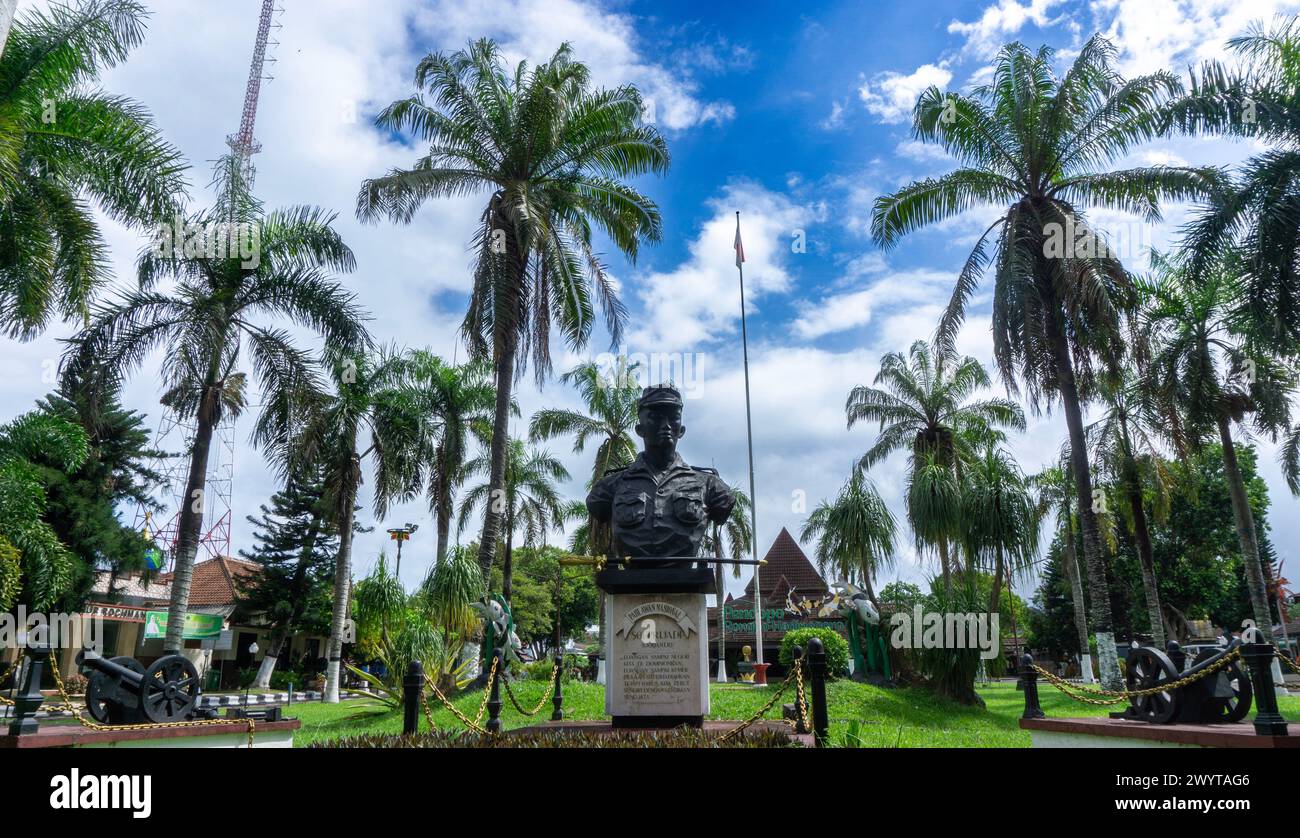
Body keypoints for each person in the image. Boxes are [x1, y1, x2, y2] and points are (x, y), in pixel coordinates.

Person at [586, 384, 734, 566]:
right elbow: (597, 507)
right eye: (655, 418)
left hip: (684, 581)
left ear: (681, 430)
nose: (666, 425)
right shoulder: (609, 487)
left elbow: (721, 509)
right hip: (630, 582)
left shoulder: (711, 486)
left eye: (674, 418)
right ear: (640, 430)